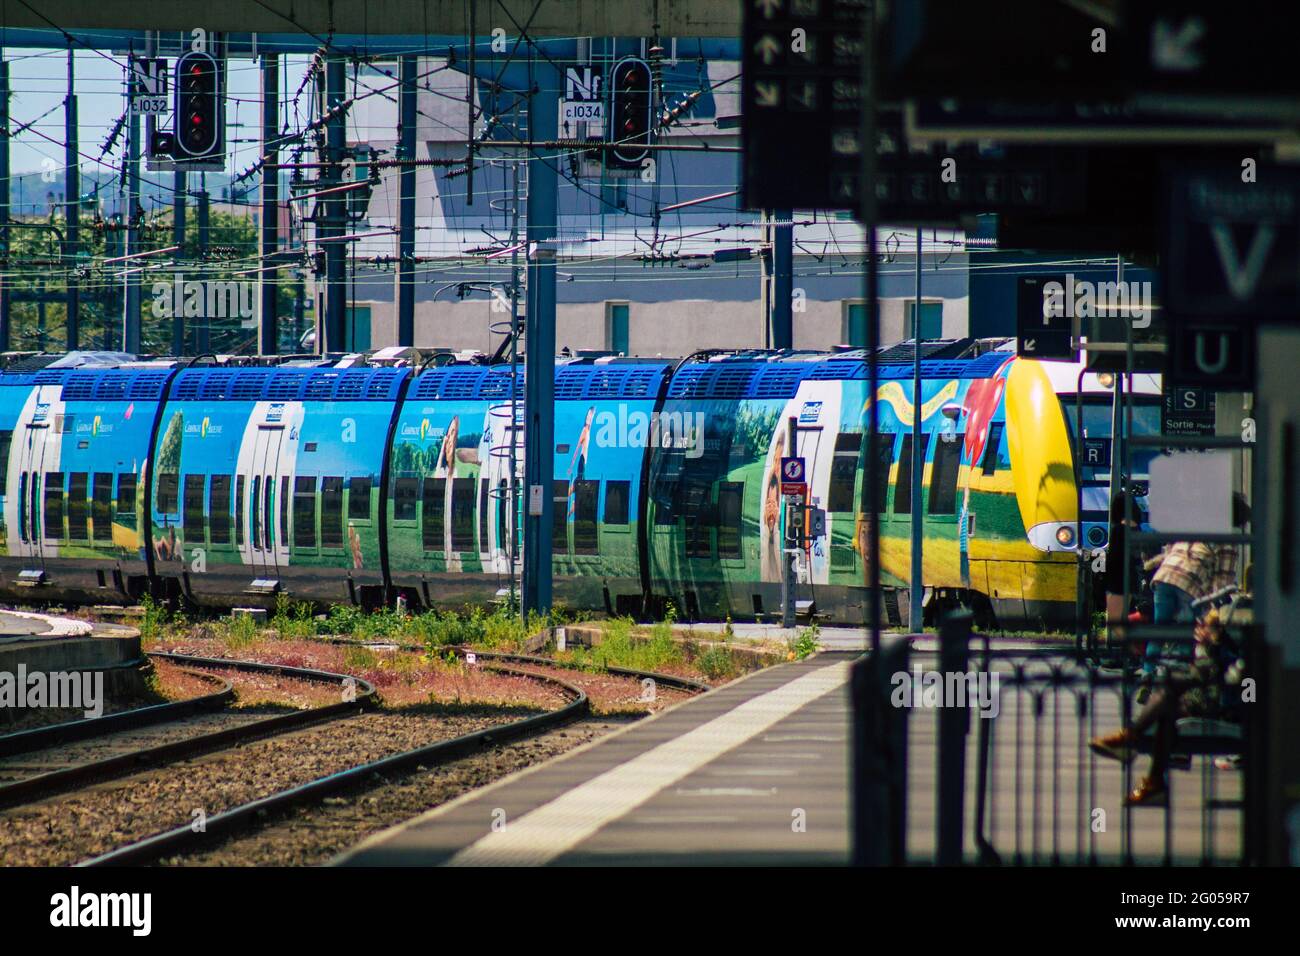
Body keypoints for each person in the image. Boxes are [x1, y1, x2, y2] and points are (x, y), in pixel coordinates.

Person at [1090, 609, 1243, 806]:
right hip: (1201, 701)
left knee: (1168, 691)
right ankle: (1152, 778)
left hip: (1216, 705)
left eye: (1204, 625)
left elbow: (1220, 679)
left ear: (1218, 631)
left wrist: (1211, 647)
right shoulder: (1213, 648)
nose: (1198, 629)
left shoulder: (1225, 650)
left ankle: (1131, 739)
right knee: (1166, 706)